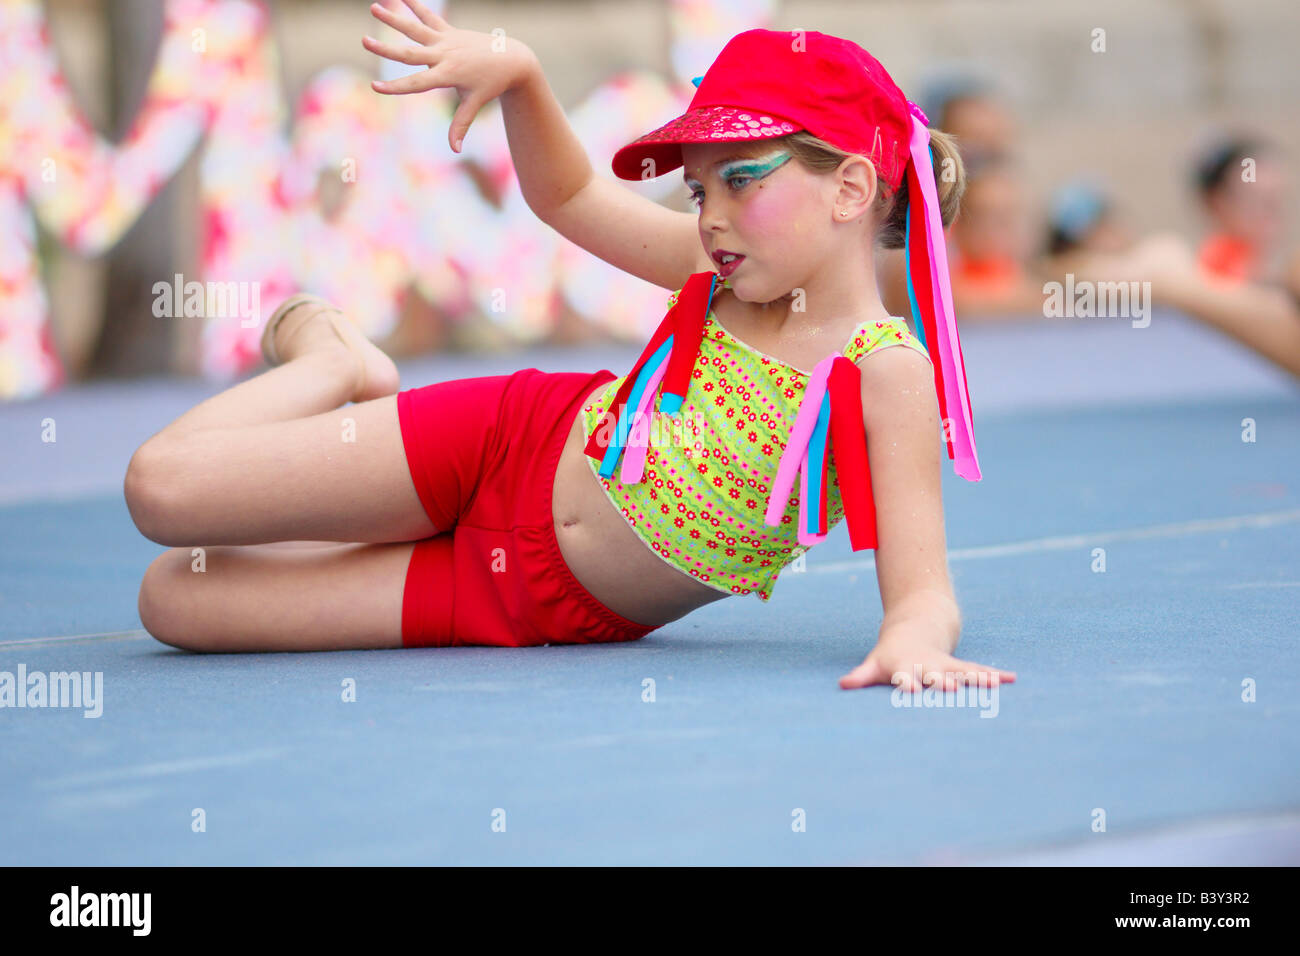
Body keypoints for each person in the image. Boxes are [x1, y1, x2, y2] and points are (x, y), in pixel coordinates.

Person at [124, 1, 1016, 692]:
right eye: (699, 191)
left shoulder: (884, 371)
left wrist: (909, 643)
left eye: (739, 182)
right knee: (160, 491)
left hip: (528, 597)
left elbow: (924, 589)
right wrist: (522, 76)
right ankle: (337, 364)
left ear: (851, 187)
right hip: (501, 442)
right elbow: (573, 196)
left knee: (176, 598)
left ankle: (340, 416)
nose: (710, 217)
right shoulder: (709, 270)